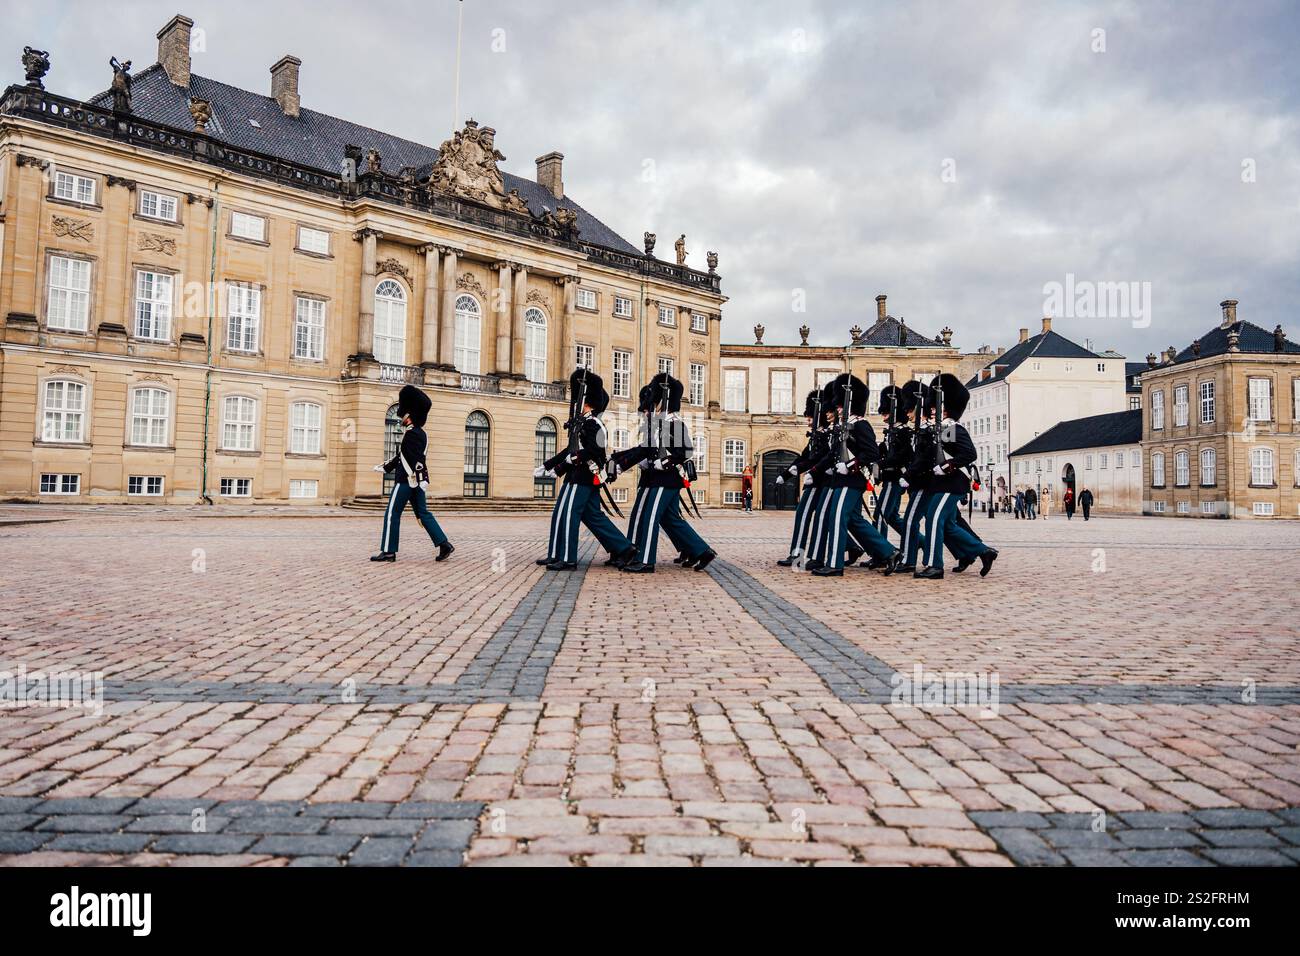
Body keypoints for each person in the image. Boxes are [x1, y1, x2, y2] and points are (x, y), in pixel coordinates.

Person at [608, 372, 715, 573]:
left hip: (665, 479)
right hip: (657, 478)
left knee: (650, 517)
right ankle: (701, 551)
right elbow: (646, 450)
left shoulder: (675, 423)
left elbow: (684, 452)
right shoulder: (660, 424)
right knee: (670, 519)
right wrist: (621, 461)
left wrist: (662, 463)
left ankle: (645, 560)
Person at [535, 369, 636, 570]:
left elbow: (593, 451)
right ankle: (624, 548)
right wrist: (548, 465)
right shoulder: (583, 423)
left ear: (588, 403)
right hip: (577, 475)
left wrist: (569, 463)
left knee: (568, 513)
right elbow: (570, 449)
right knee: (591, 517)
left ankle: (568, 557)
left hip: (584, 476)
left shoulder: (594, 424)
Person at [902, 374, 997, 580]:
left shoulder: (953, 428)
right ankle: (983, 551)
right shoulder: (942, 430)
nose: (931, 410)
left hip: (953, 483)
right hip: (941, 483)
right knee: (947, 524)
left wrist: (947, 466)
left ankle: (935, 565)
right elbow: (929, 455)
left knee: (934, 520)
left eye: (936, 408)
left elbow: (969, 454)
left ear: (946, 409)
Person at [807, 374, 898, 577]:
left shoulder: (860, 424)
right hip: (842, 479)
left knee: (837, 517)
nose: (837, 408)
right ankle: (889, 552)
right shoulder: (844, 426)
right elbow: (833, 454)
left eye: (840, 405)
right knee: (854, 520)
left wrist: (850, 465)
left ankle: (835, 563)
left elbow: (871, 453)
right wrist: (815, 470)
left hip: (853, 479)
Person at [371, 384, 454, 563]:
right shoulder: (418, 433)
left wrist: (420, 477)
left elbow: (416, 460)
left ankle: (388, 551)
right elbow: (404, 456)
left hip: (406, 481)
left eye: (404, 414)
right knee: (423, 514)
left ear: (410, 415)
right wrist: (386, 467)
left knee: (392, 513)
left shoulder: (412, 434)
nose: (401, 417)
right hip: (415, 482)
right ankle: (444, 544)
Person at [777, 390, 828, 566]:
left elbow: (816, 460)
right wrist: (787, 473)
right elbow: (804, 457)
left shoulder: (825, 434)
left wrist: (807, 471)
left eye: (810, 417)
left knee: (803, 514)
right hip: (816, 480)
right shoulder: (818, 434)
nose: (808, 421)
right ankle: (852, 547)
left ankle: (796, 556)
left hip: (818, 482)